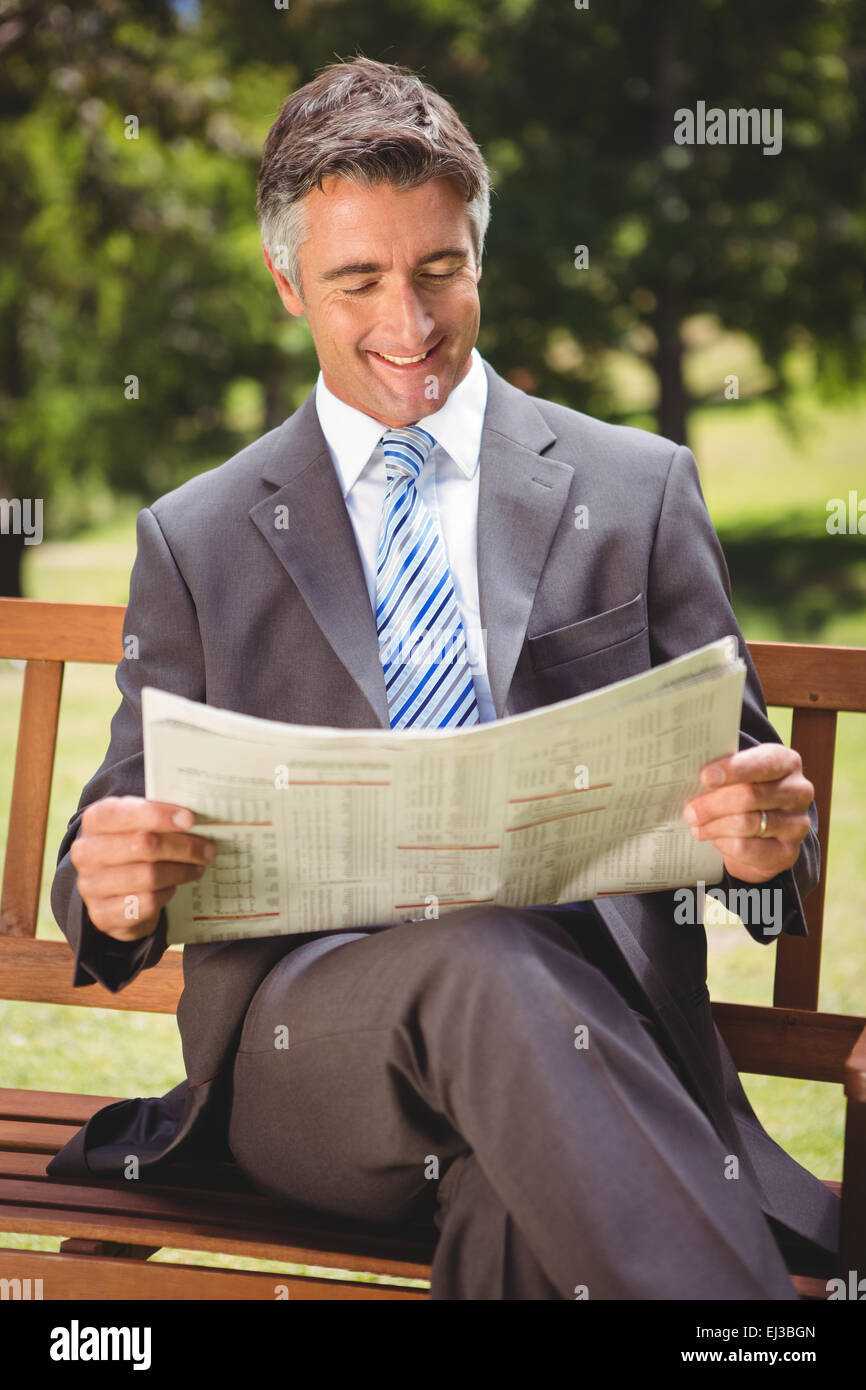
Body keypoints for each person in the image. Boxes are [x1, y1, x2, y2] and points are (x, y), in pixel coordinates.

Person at [48, 56, 838, 1299]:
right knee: (473, 953)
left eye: (439, 272)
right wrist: (115, 881)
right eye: (358, 280)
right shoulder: (196, 538)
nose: (408, 328)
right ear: (285, 282)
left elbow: (760, 816)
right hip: (312, 1065)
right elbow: (101, 869)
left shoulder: (634, 489)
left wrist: (757, 838)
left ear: (481, 253)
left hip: (585, 1053)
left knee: (512, 1203)